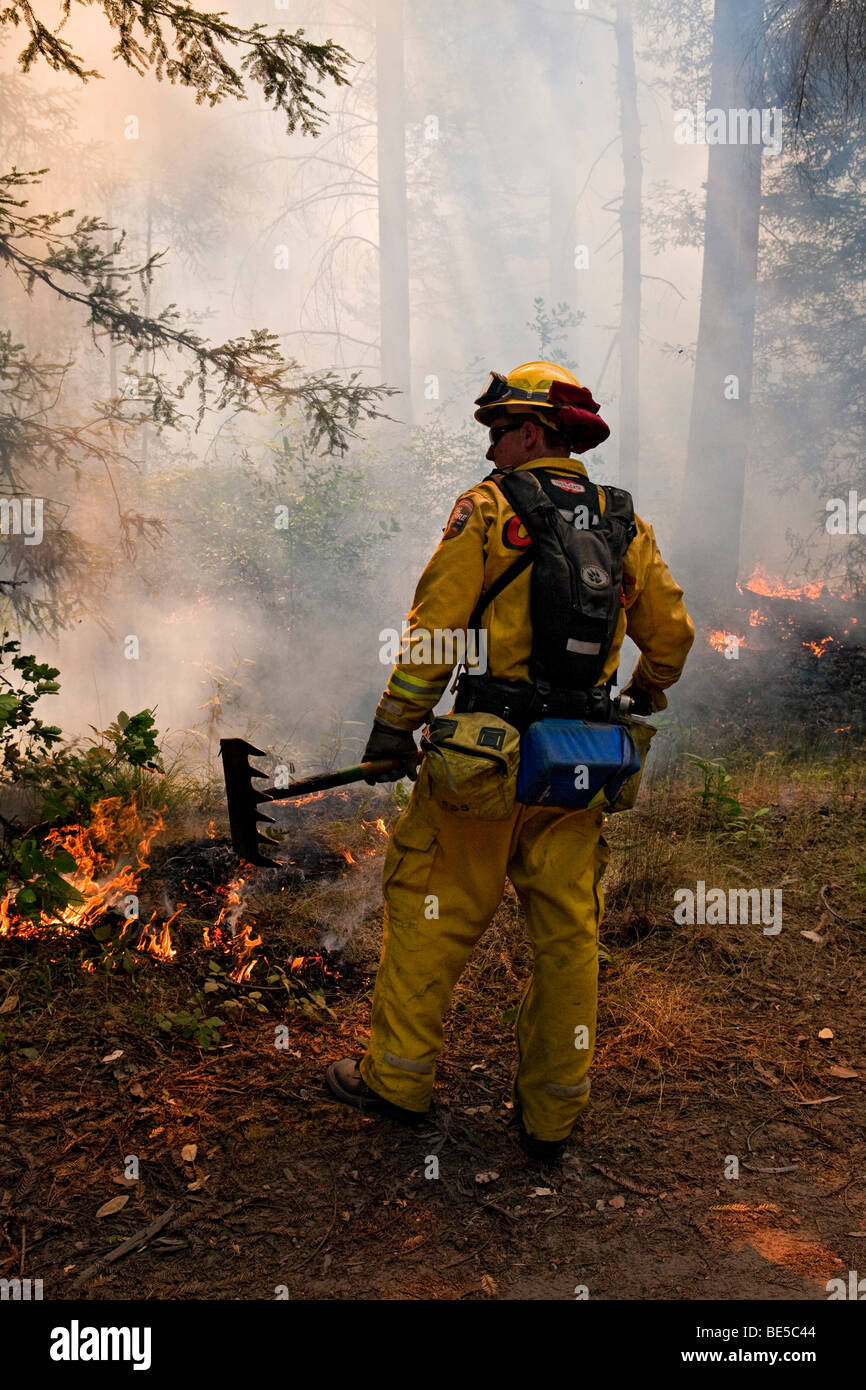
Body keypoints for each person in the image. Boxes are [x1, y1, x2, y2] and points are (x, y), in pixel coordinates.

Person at [326, 361, 694, 1160]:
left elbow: (435, 632)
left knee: (433, 912)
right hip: (583, 765)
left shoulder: (488, 511)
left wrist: (396, 726)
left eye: (499, 430)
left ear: (533, 431)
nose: (491, 447)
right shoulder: (624, 521)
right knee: (567, 934)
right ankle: (552, 1116)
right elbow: (671, 637)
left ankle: (397, 1080)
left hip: (482, 767)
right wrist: (641, 693)